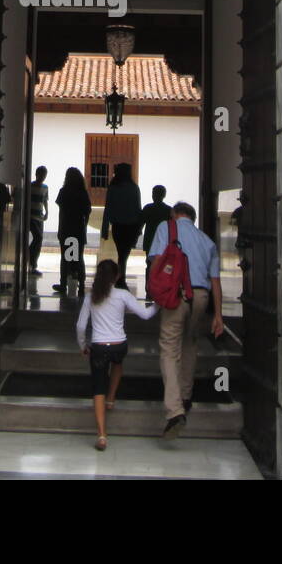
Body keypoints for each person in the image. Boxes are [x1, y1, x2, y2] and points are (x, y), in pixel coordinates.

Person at [147, 201, 223, 439]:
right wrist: (218, 316)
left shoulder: (166, 228)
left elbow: (156, 261)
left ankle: (174, 411)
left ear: (174, 214)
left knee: (169, 349)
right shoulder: (207, 241)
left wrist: (155, 291)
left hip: (176, 295)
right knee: (190, 343)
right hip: (201, 297)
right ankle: (186, 396)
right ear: (193, 218)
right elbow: (215, 281)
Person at [76, 259, 157, 451]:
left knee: (98, 388)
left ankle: (102, 435)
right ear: (117, 276)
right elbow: (146, 315)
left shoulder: (91, 296)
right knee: (117, 363)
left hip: (98, 347)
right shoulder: (123, 295)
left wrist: (83, 345)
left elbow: (80, 326)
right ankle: (111, 398)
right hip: (119, 345)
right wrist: (160, 303)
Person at [102, 162, 143, 289]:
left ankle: (120, 278)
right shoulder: (134, 188)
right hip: (131, 226)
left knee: (121, 253)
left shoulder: (113, 187)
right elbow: (138, 208)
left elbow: (108, 208)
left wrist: (105, 228)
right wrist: (139, 228)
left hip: (118, 226)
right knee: (124, 254)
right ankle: (121, 278)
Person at [53, 166, 92, 296]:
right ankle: (82, 285)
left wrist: (60, 229)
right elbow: (88, 211)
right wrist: (84, 226)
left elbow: (61, 212)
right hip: (78, 228)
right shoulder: (83, 193)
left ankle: (63, 283)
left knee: (65, 257)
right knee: (78, 257)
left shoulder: (64, 192)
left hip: (66, 228)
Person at [140, 184, 171, 296]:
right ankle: (161, 288)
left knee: (150, 264)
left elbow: (140, 223)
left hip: (150, 240)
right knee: (164, 265)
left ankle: (149, 289)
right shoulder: (168, 210)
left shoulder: (148, 208)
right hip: (164, 242)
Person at [27, 165, 49, 275]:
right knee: (38, 237)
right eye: (41, 174)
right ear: (36, 174)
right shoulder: (30, 186)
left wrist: (47, 212)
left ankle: (33, 264)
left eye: (44, 175)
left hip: (39, 217)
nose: (43, 177)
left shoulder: (45, 187)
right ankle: (29, 256)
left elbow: (45, 200)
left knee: (39, 241)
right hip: (31, 217)